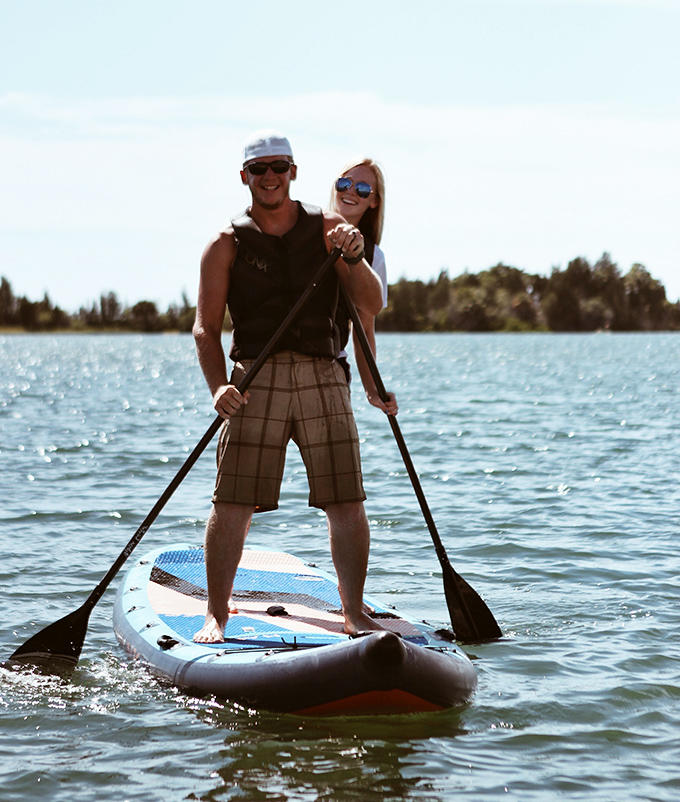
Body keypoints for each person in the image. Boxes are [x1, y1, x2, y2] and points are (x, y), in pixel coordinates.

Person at [192, 131, 386, 643]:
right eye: (259, 169)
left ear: (294, 171)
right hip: (254, 379)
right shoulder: (224, 244)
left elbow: (372, 303)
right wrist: (217, 388)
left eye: (279, 166)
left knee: (345, 499)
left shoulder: (329, 228)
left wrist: (353, 254)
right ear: (245, 178)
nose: (270, 176)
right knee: (232, 501)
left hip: (324, 376)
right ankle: (217, 612)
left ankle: (354, 612)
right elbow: (205, 329)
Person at [330, 159, 398, 416]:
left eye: (362, 189)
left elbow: (364, 328)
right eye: (345, 183)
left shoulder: (374, 257)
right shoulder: (302, 230)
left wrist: (372, 390)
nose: (350, 191)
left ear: (374, 201)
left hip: (332, 367)